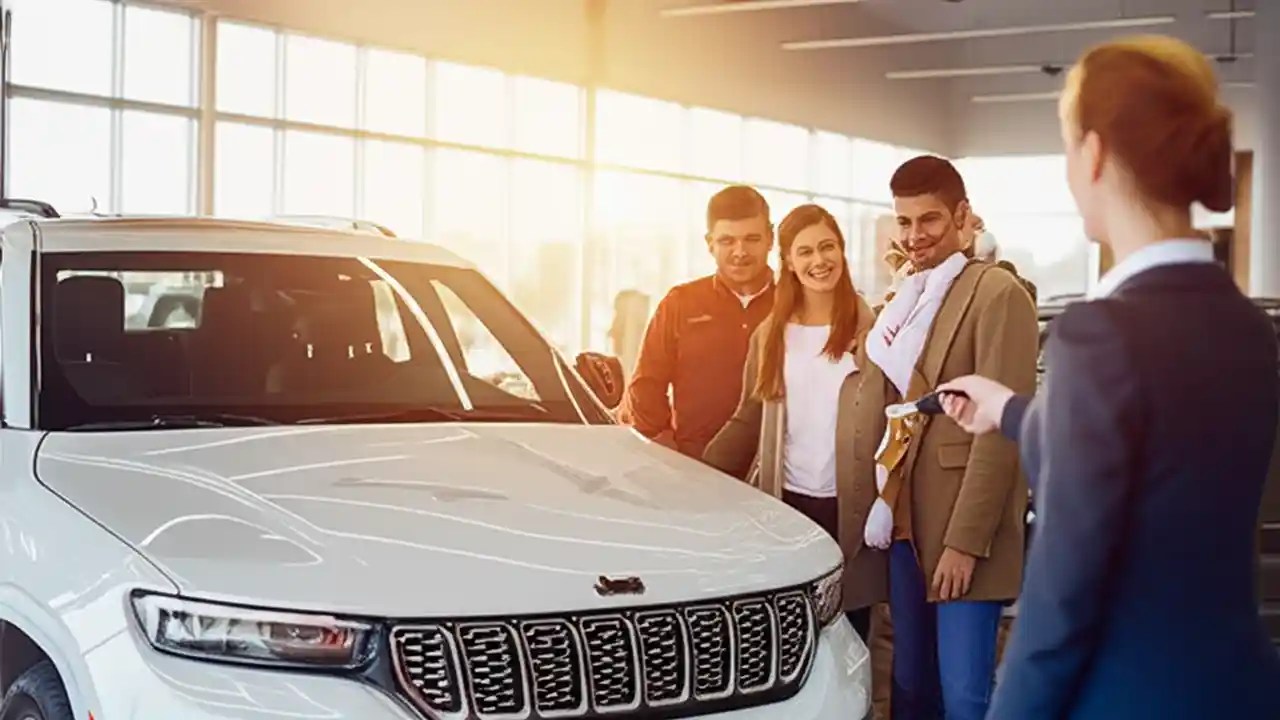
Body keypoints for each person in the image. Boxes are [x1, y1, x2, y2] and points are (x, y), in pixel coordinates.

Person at [937, 35, 1280, 720]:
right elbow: (1155, 463)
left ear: (1091, 154)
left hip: (1124, 698)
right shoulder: (1247, 327)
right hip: (1239, 688)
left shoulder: (1098, 338)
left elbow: (1058, 609)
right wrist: (1012, 413)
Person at [852, 155, 1039, 720]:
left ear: (963, 215)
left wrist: (965, 542)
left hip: (962, 529)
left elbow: (1000, 429)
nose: (914, 236)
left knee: (964, 698)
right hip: (905, 521)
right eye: (903, 223)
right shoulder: (905, 300)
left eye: (929, 220)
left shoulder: (997, 294)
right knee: (910, 688)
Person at [703, 204, 880, 640]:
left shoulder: (872, 327)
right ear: (787, 260)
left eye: (827, 247)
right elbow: (750, 414)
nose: (818, 261)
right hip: (787, 502)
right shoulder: (771, 333)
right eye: (805, 252)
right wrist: (693, 473)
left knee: (848, 629)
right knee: (790, 632)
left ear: (842, 250)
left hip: (852, 505)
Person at [624, 185, 774, 458]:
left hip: (775, 470)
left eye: (751, 239)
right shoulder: (680, 303)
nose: (740, 251)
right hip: (695, 467)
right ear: (709, 243)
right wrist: (666, 448)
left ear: (770, 239)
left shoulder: (795, 304)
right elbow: (646, 385)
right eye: (727, 241)